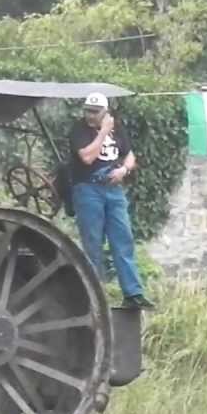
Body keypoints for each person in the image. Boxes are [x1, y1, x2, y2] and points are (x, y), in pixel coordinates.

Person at [69, 92, 154, 310]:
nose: (90, 115)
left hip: (114, 190)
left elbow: (130, 154)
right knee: (93, 243)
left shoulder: (119, 130)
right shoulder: (79, 130)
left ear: (105, 112)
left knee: (123, 239)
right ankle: (95, 296)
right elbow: (87, 157)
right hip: (88, 189)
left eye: (95, 112)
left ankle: (133, 293)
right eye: (88, 110)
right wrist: (103, 131)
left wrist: (124, 170)